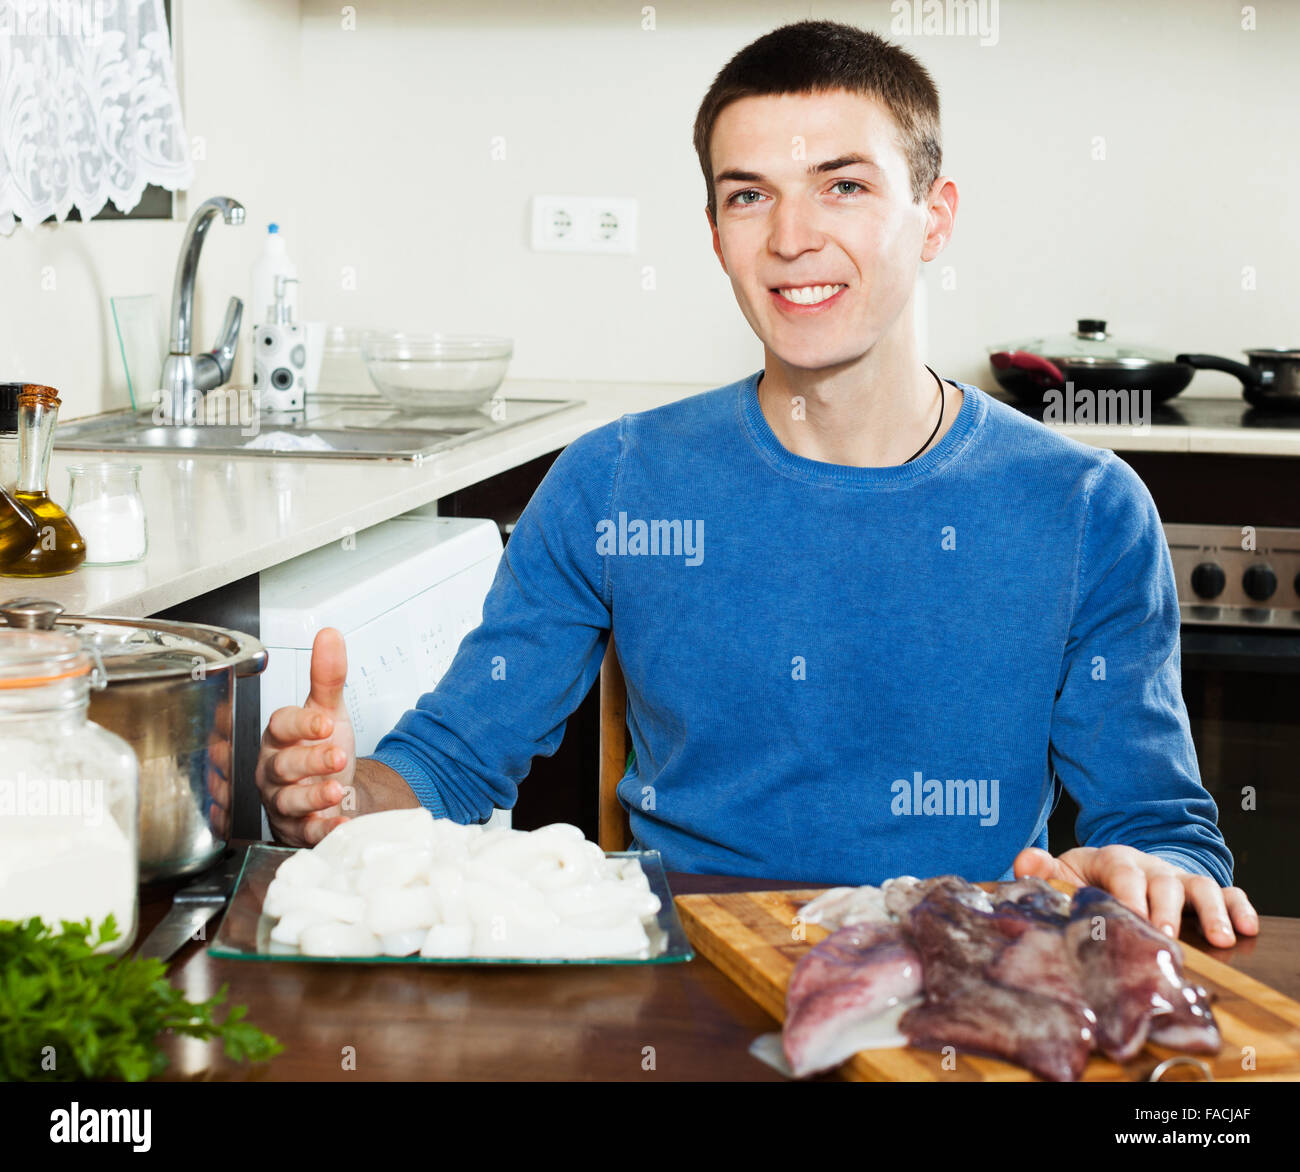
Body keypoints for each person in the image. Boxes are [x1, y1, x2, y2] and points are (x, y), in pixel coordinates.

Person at [256, 20, 1257, 948]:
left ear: (934, 217)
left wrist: (1144, 874)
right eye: (749, 194)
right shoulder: (612, 480)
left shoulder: (1084, 506)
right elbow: (452, 763)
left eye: (843, 185)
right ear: (714, 232)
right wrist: (340, 796)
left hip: (962, 987)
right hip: (689, 974)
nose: (790, 236)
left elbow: (1159, 829)